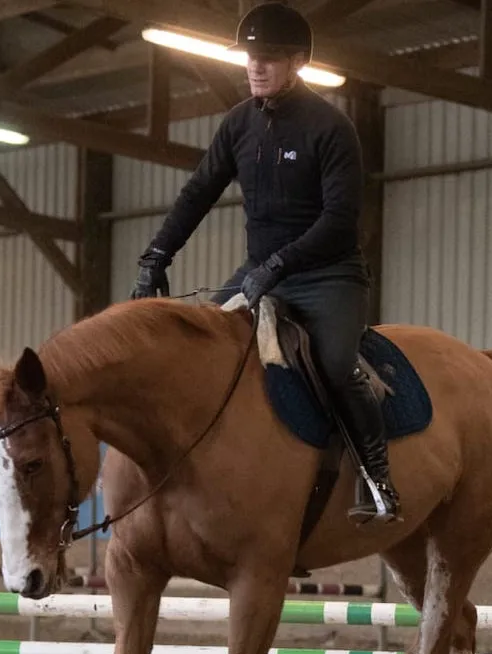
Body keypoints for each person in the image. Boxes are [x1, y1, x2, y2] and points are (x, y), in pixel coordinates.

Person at [130, 2, 399, 524]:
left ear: (297, 62)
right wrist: (155, 257)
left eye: (269, 58)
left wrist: (278, 264)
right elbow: (198, 193)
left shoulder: (331, 127)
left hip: (328, 276)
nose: (255, 66)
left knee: (335, 364)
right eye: (250, 57)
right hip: (260, 271)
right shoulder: (239, 124)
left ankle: (377, 478)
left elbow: (340, 221)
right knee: (199, 349)